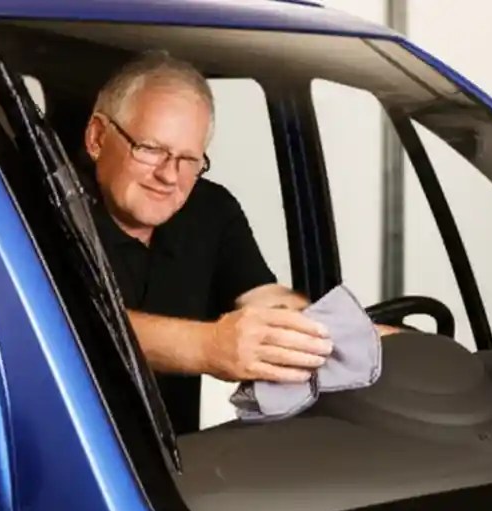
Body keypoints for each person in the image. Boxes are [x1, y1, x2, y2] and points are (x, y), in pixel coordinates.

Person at [81, 51, 392, 433]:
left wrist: (364, 336)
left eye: (188, 159)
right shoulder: (39, 214)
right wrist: (209, 346)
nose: (169, 176)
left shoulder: (210, 209)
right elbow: (67, 325)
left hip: (177, 464)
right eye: (151, 149)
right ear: (97, 137)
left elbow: (262, 297)